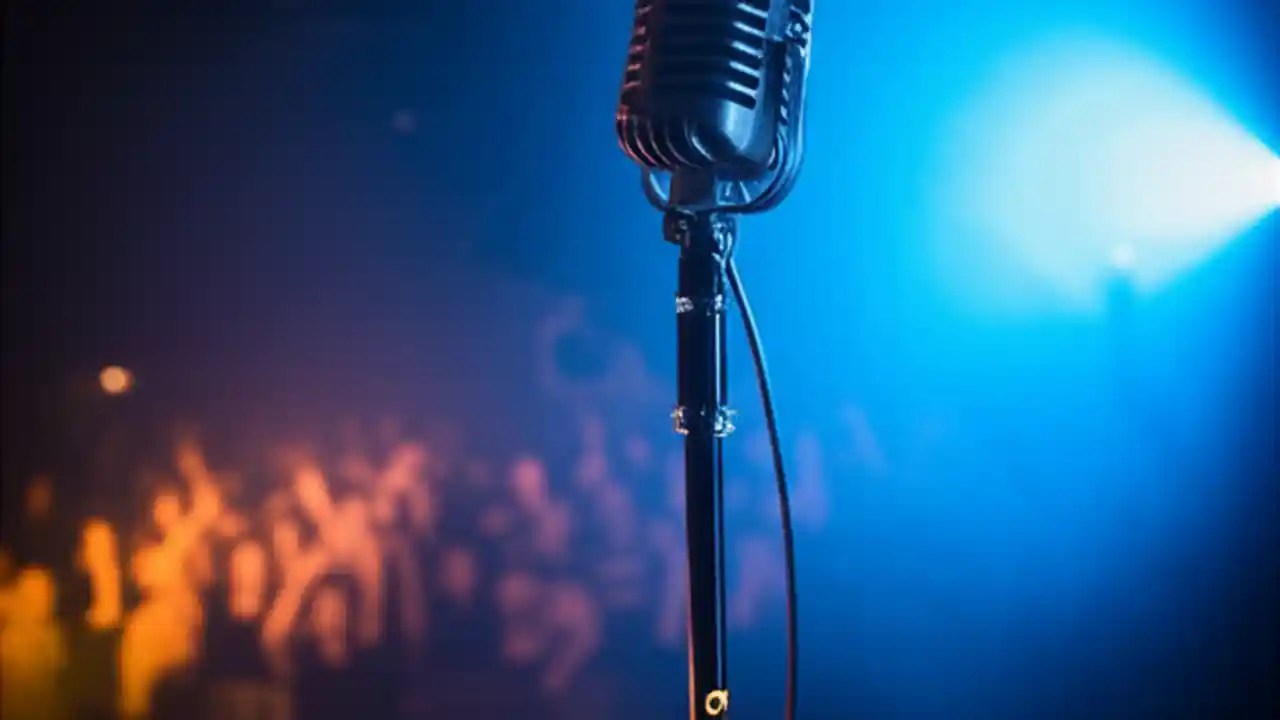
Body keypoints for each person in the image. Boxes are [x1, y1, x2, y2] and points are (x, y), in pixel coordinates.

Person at [65, 519, 124, 720]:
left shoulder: (125, 582)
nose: (99, 551)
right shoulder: (76, 590)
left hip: (117, 675)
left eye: (105, 543)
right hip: (88, 677)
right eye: (93, 544)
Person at [1, 567, 66, 720]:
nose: (45, 601)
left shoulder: (53, 634)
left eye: (48, 594)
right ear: (23, 599)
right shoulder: (9, 641)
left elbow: (56, 683)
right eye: (36, 596)